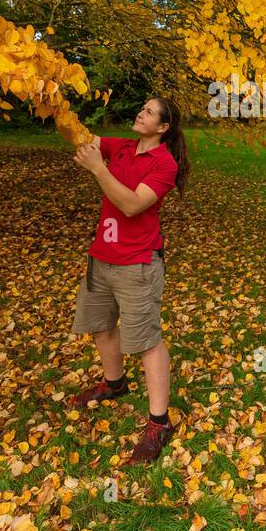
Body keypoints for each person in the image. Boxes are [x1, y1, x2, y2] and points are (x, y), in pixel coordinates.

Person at [68, 96, 190, 464]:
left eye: (150, 112)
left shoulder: (163, 164)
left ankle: (159, 422)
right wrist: (55, 103)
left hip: (138, 264)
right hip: (101, 257)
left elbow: (132, 205)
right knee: (101, 327)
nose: (141, 112)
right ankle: (115, 383)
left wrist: (97, 169)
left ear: (163, 128)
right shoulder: (121, 147)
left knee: (146, 341)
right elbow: (79, 137)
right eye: (142, 107)